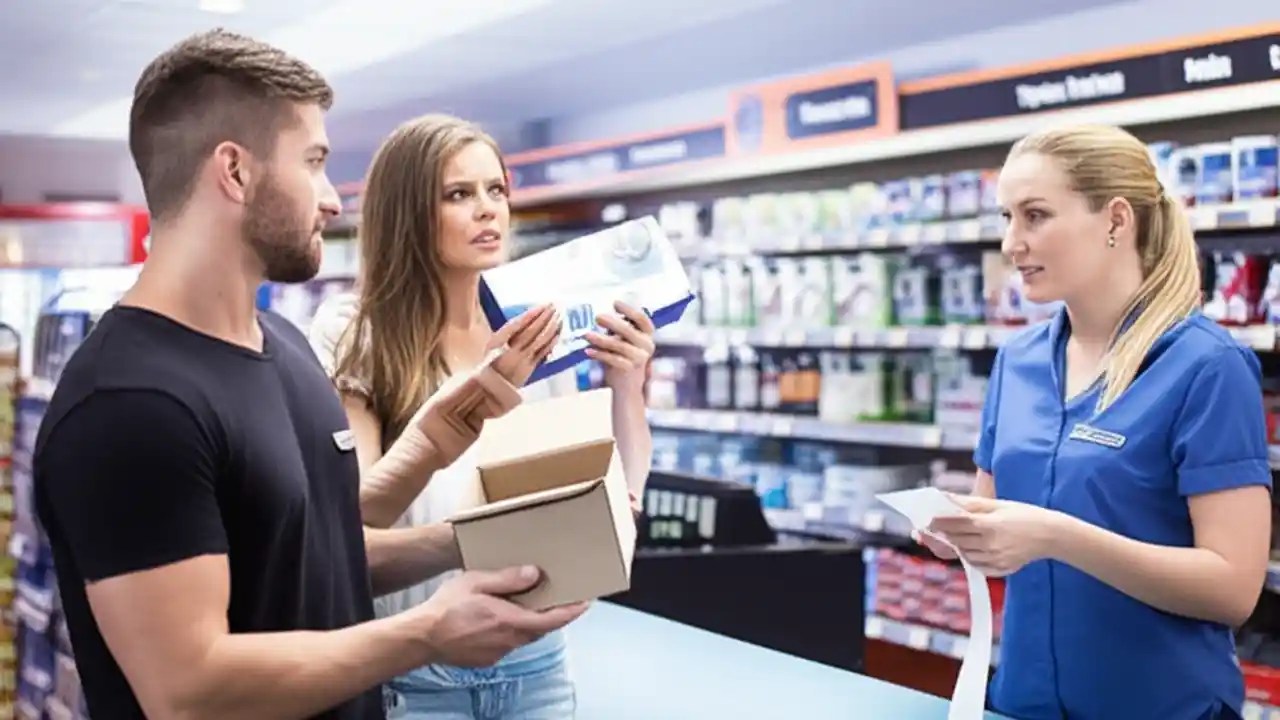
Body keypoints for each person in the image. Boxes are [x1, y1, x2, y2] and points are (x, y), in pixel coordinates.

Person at [31, 29, 587, 720]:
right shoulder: (129, 406)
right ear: (235, 171)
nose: (331, 198)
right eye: (315, 162)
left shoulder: (285, 348)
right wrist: (424, 634)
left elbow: (323, 552)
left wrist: (461, 525)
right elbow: (189, 688)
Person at [917, 124, 1272, 720]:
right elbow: (997, 514)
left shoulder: (1208, 368)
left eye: (1035, 216)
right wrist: (956, 531)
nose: (1011, 243)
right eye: (1006, 217)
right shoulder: (1018, 362)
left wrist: (1058, 537)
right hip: (1022, 702)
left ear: (1114, 220)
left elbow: (1233, 589)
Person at [308, 112, 656, 719]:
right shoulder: (357, 331)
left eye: (496, 190)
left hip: (538, 661)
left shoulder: (537, 324)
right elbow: (352, 518)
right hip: (418, 674)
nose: (488, 209)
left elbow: (616, 492)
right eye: (459, 194)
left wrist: (627, 386)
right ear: (407, 212)